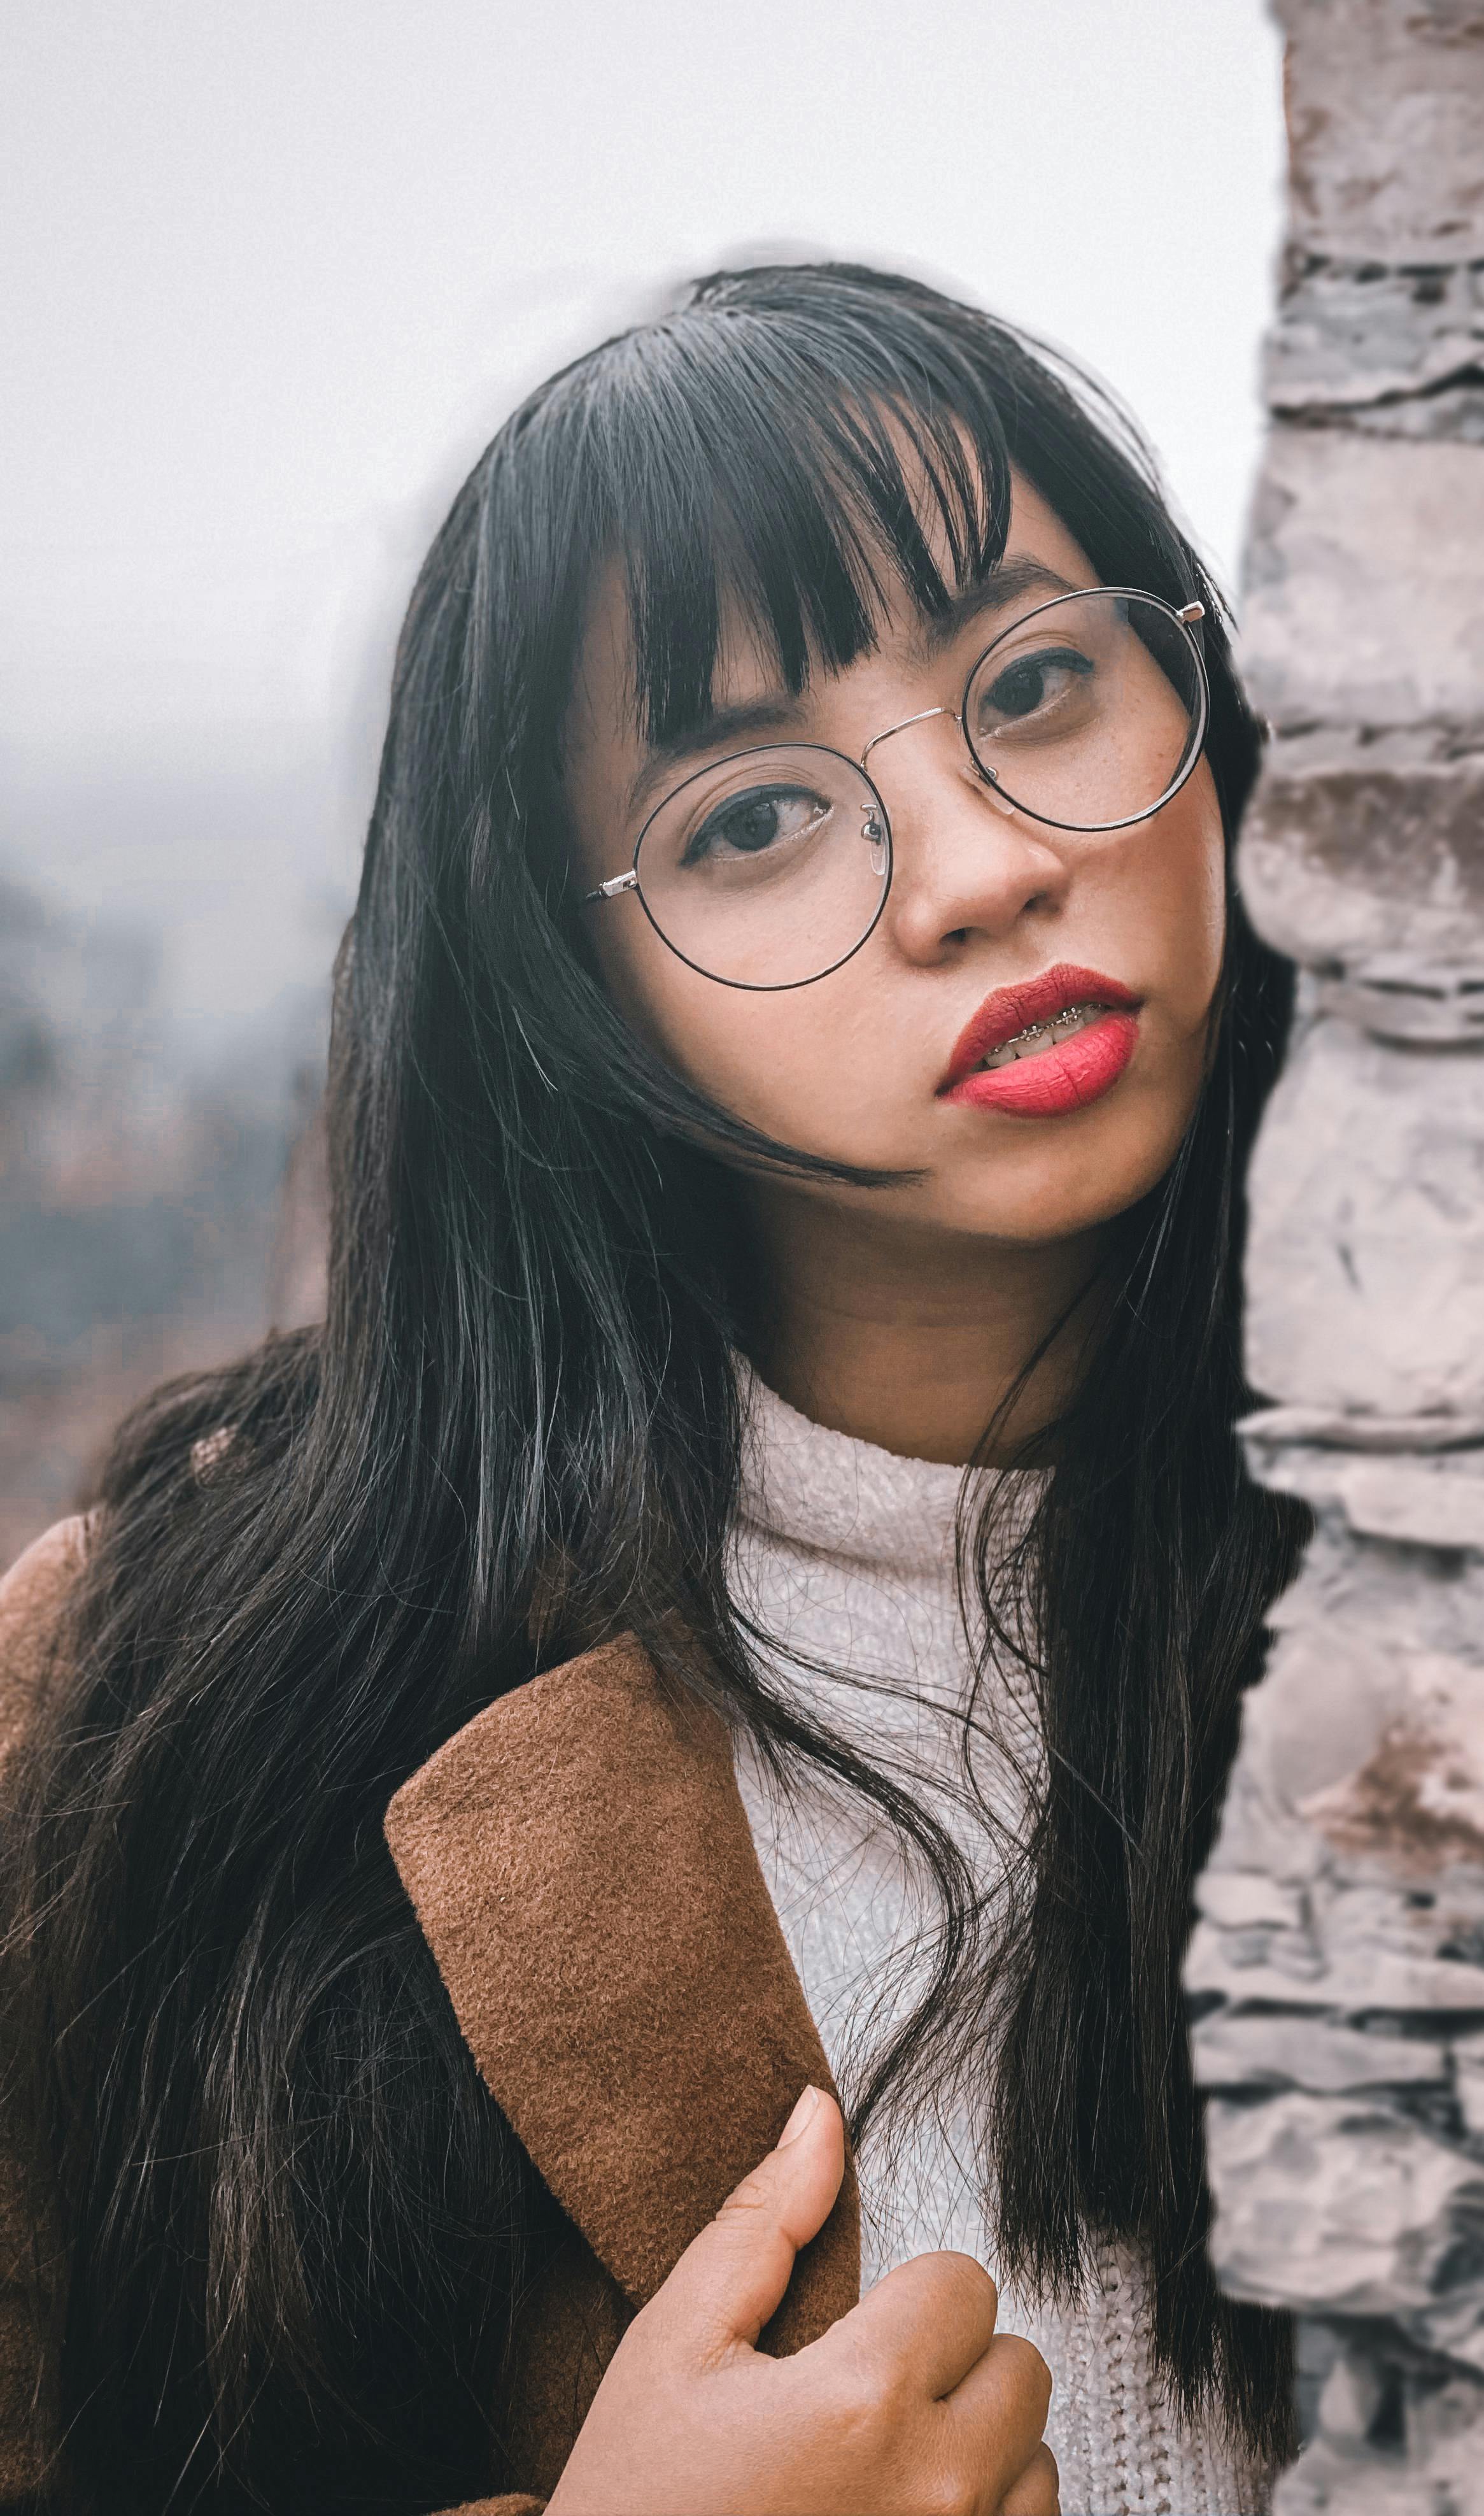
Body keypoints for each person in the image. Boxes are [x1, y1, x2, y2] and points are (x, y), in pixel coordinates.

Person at [0, 262, 1306, 2515]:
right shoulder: (154, 1706)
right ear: (566, 989)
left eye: (1038, 684)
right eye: (752, 819)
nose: (987, 873)